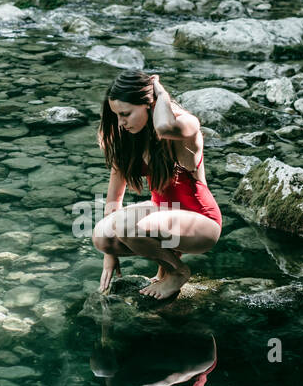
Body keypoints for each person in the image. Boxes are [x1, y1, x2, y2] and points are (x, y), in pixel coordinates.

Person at [92, 69, 222, 300]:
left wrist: (160, 93)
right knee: (101, 235)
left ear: (148, 104)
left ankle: (177, 271)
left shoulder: (186, 125)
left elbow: (163, 127)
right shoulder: (129, 139)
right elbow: (114, 200)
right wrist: (109, 252)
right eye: (117, 115)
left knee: (125, 225)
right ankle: (165, 265)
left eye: (126, 114)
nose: (120, 123)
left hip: (201, 221)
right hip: (164, 218)